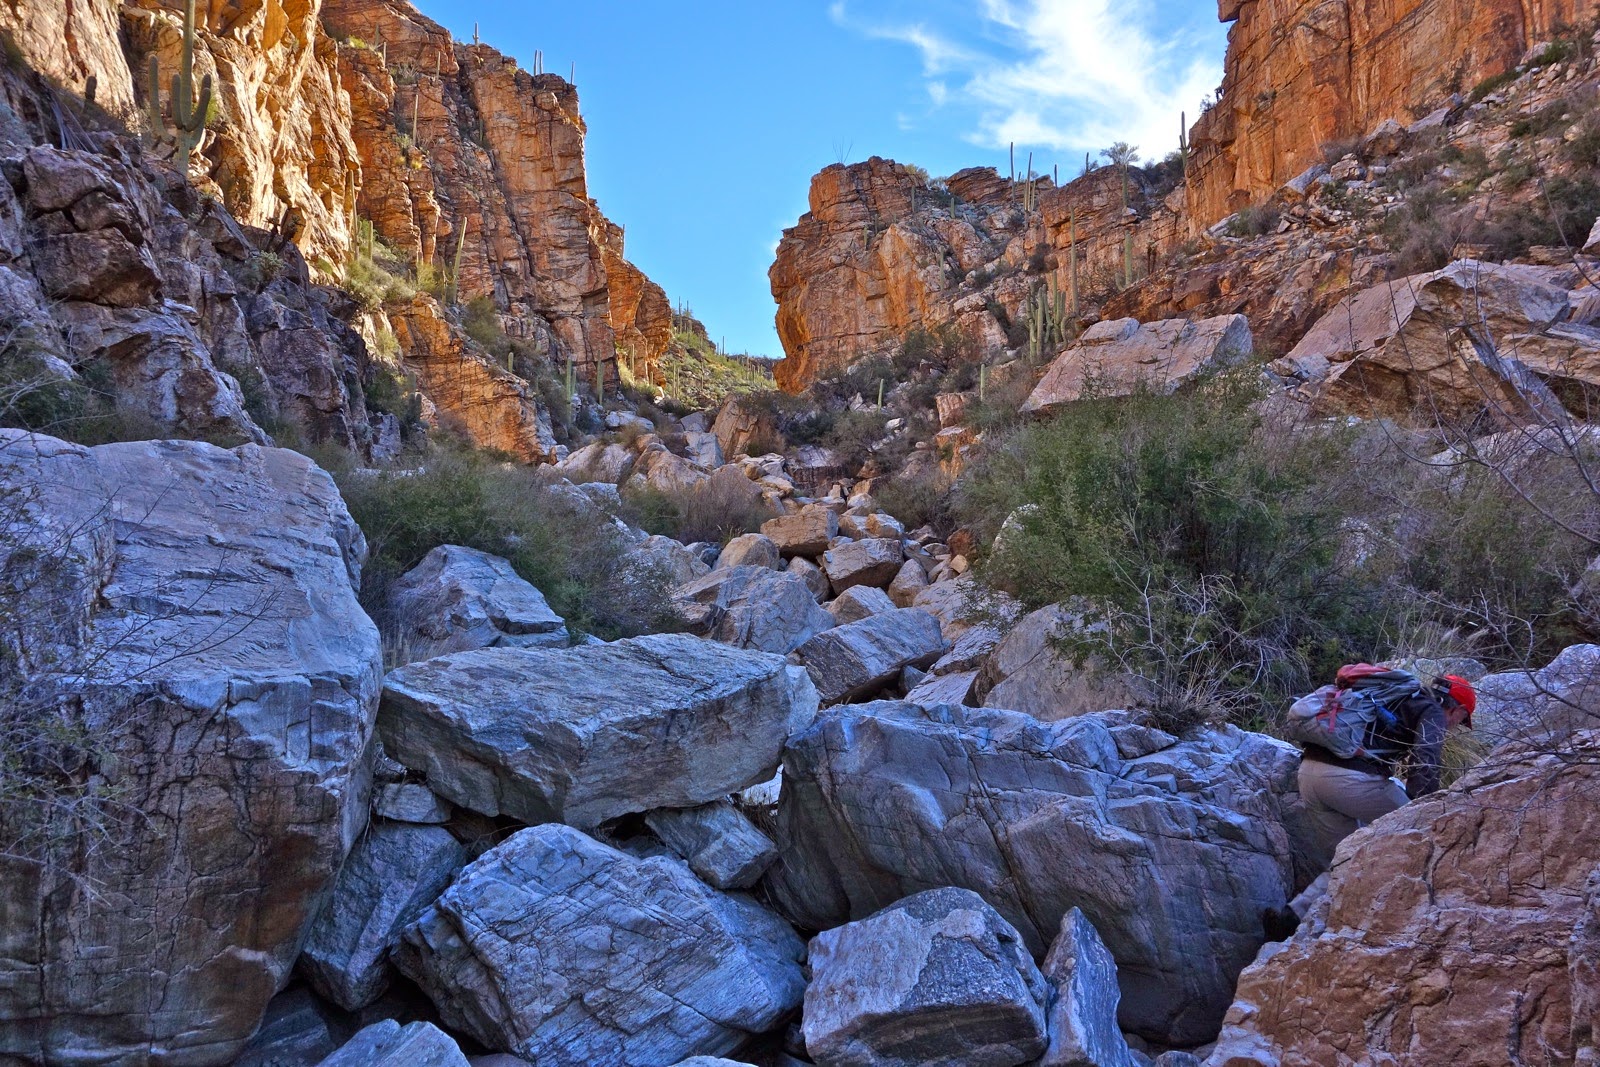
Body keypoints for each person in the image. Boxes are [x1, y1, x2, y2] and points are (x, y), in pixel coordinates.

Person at [1297, 670, 1476, 871]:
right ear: (1458, 709)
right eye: (1461, 721)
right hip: (1347, 781)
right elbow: (1426, 760)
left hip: (1308, 773)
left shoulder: (1393, 695)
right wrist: (1424, 807)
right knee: (1423, 830)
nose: (1456, 726)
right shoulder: (1433, 711)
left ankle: (1301, 904)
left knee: (1344, 862)